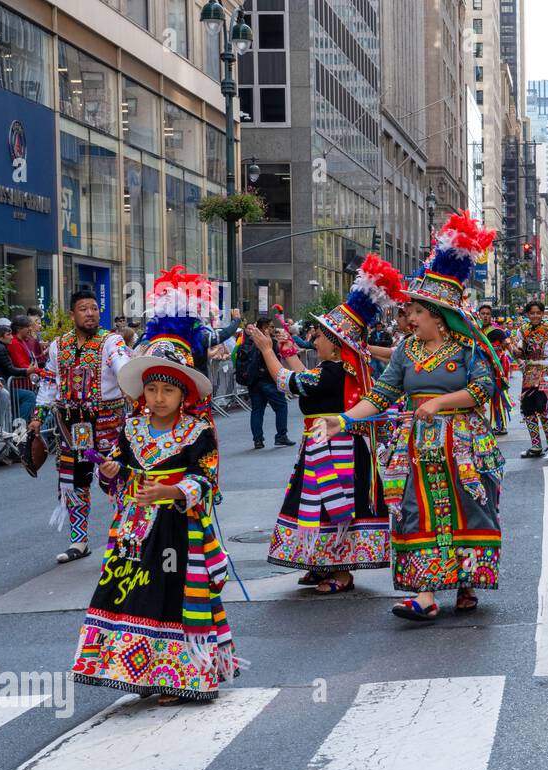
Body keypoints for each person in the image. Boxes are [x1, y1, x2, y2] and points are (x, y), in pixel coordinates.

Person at [312, 212, 505, 622]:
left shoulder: (467, 350)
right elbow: (381, 396)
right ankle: (425, 593)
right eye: (408, 311)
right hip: (418, 444)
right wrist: (344, 420)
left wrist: (440, 402)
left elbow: (483, 388)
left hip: (463, 443)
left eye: (416, 311)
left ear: (438, 314)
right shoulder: (404, 352)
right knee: (416, 509)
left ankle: (467, 581)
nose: (408, 318)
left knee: (468, 507)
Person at [70, 314, 237, 706]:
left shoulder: (198, 433)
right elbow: (116, 470)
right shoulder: (131, 430)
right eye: (151, 389)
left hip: (178, 531)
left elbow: (205, 478)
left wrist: (170, 490)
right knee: (131, 592)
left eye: (167, 390)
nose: (158, 398)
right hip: (132, 529)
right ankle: (138, 670)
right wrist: (112, 472)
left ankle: (176, 674)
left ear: (184, 395)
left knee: (170, 593)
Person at [249, 255, 404, 594]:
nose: (314, 340)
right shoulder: (333, 370)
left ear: (335, 345)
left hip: (338, 449)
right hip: (324, 443)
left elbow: (287, 381)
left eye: (319, 336)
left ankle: (342, 571)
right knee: (317, 503)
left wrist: (266, 350)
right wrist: (285, 346)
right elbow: (301, 375)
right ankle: (322, 563)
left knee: (334, 504)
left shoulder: (335, 373)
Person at [30, 288, 132, 563]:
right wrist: (37, 417)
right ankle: (79, 541)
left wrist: (133, 380)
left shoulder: (111, 342)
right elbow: (50, 383)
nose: (90, 313)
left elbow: (122, 366)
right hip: (71, 425)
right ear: (73, 313)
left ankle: (127, 537)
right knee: (74, 482)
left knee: (115, 478)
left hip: (108, 423)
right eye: (84, 309)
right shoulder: (58, 345)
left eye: (95, 308)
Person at [512, 300, 548, 457]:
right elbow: (517, 351)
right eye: (532, 313)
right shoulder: (522, 330)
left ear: (543, 314)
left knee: (543, 408)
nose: (535, 316)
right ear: (528, 314)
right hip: (529, 373)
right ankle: (536, 446)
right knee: (528, 409)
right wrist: (519, 359)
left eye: (538, 313)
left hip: (546, 372)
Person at [238, 314, 294, 449]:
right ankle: (281, 436)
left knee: (257, 410)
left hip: (253, 382)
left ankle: (258, 440)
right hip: (269, 381)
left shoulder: (248, 342)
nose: (274, 329)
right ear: (264, 328)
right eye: (271, 327)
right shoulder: (269, 343)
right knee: (281, 407)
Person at [0, 317, 36, 425]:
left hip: (3, 385)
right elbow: (11, 368)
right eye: (8, 335)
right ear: (0, 337)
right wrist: (27, 371)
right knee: (29, 396)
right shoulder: (2, 347)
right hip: (3, 386)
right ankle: (18, 429)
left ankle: (17, 431)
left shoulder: (2, 346)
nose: (11, 337)